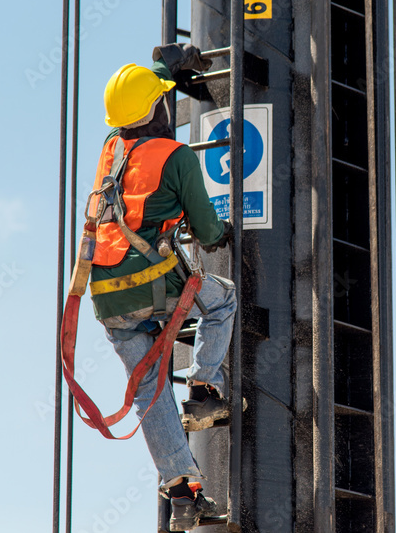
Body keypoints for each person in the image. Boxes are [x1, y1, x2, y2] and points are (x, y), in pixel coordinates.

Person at [89, 43, 235, 531]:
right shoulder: (175, 157)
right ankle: (204, 387)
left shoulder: (113, 145)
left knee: (148, 391)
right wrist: (225, 230)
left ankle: (183, 492)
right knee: (222, 299)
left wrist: (170, 62)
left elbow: (140, 93)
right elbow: (210, 233)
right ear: (157, 109)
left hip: (106, 299)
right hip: (154, 285)